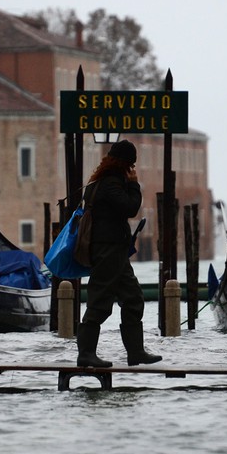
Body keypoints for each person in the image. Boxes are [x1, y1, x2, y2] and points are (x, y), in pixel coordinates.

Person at [76, 139, 162, 368]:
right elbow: (130, 208)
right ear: (123, 164)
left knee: (133, 299)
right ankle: (85, 354)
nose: (132, 170)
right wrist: (134, 185)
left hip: (115, 251)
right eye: (131, 165)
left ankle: (136, 352)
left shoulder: (99, 183)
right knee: (99, 302)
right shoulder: (110, 184)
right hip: (108, 250)